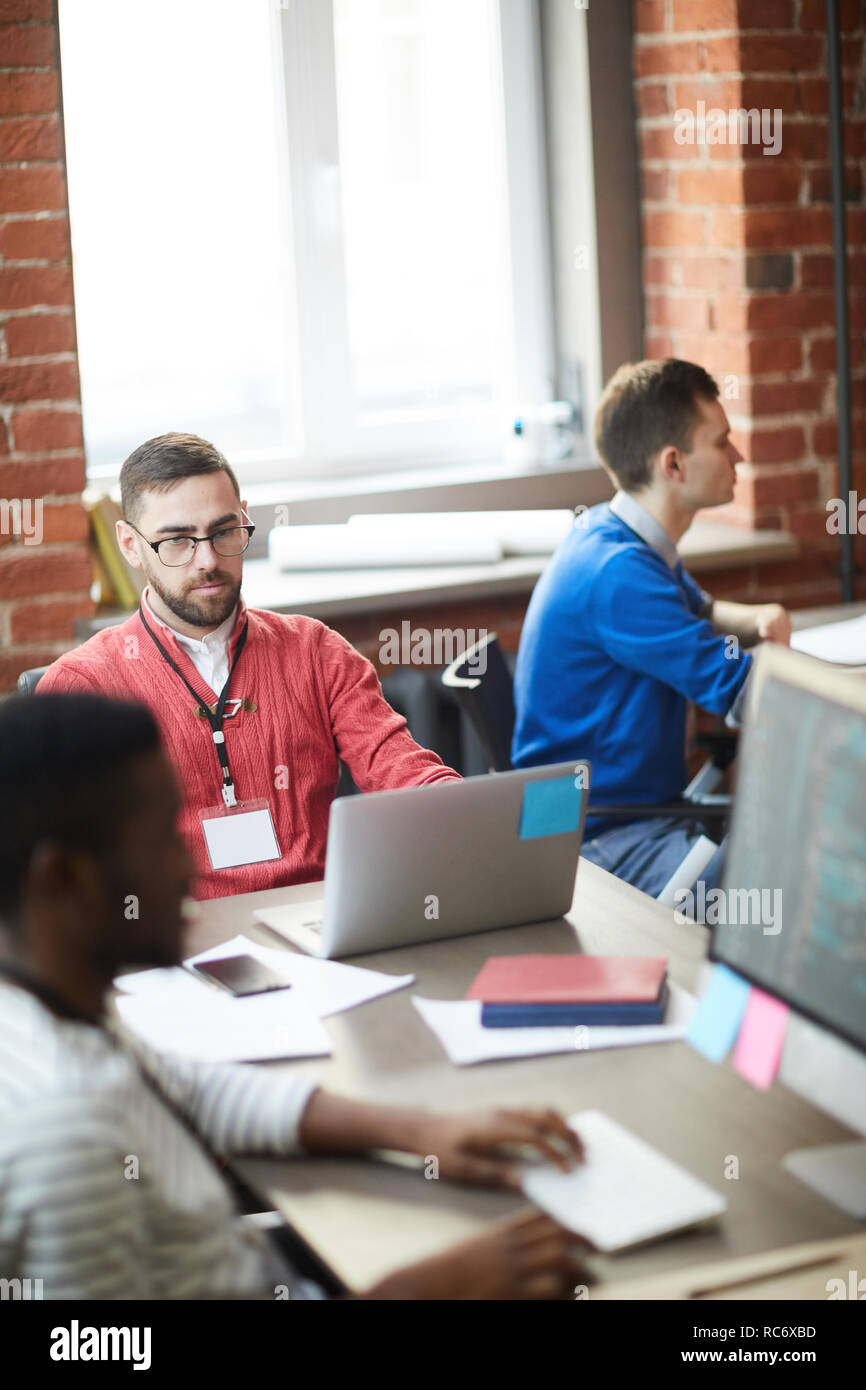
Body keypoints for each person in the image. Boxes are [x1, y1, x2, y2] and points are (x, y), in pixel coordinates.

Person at [0, 693, 586, 1301]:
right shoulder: (64, 1136)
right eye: (161, 838)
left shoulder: (47, 1011)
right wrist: (422, 1291)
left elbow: (194, 1088)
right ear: (65, 879)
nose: (186, 866)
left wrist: (423, 1129)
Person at [37, 433, 460, 899]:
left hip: (317, 923)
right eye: (177, 541)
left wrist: (464, 807)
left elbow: (399, 768)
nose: (209, 560)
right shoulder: (81, 688)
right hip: (173, 939)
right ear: (130, 544)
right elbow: (59, 872)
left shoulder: (316, 651)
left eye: (224, 532)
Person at [512, 358, 792, 898]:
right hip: (602, 837)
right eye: (723, 441)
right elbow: (742, 693)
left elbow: (700, 610)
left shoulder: (613, 533)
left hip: (620, 811)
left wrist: (754, 619)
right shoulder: (619, 576)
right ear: (674, 464)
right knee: (791, 880)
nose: (739, 455)